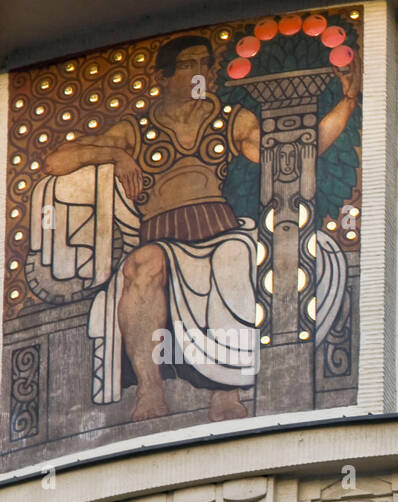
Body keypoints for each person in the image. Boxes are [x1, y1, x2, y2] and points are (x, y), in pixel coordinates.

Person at [40, 34, 359, 422]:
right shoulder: (136, 129)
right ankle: (150, 388)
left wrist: (348, 102)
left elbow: (289, 151)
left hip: (219, 229)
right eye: (189, 66)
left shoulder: (228, 118)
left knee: (236, 259)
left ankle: (226, 391)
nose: (201, 75)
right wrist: (116, 154)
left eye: (205, 65)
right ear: (163, 76)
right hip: (163, 236)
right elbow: (56, 161)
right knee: (143, 266)